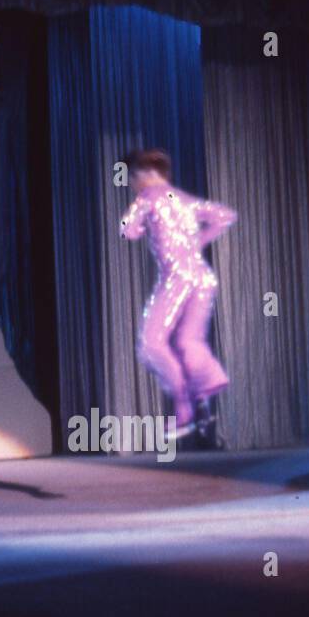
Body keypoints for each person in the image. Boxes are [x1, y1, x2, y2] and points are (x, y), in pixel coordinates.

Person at [119, 148, 237, 440]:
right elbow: (225, 216)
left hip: (178, 278)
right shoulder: (180, 198)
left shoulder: (148, 197)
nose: (133, 184)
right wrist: (195, 242)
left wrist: (136, 224)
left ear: (145, 174)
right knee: (187, 341)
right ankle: (203, 398)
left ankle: (183, 408)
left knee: (150, 343)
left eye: (133, 177)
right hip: (202, 277)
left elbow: (127, 230)